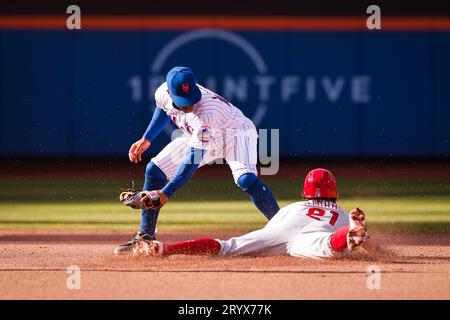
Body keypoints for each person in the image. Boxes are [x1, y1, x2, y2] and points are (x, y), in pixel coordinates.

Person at [114, 66, 280, 254]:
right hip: (202, 135)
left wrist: (166, 193)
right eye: (182, 102)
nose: (189, 105)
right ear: (169, 91)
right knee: (154, 171)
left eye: (191, 98)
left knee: (246, 180)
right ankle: (145, 236)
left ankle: (283, 227)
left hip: (237, 133)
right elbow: (163, 109)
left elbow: (192, 161)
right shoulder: (162, 92)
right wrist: (147, 138)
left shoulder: (206, 113)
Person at [132, 168, 370, 259]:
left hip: (282, 225)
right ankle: (346, 234)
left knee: (228, 247)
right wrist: (361, 239)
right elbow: (371, 247)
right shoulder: (340, 211)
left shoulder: (294, 206)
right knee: (329, 246)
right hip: (323, 229)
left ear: (305, 192)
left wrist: (269, 240)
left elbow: (274, 225)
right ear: (335, 192)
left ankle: (167, 248)